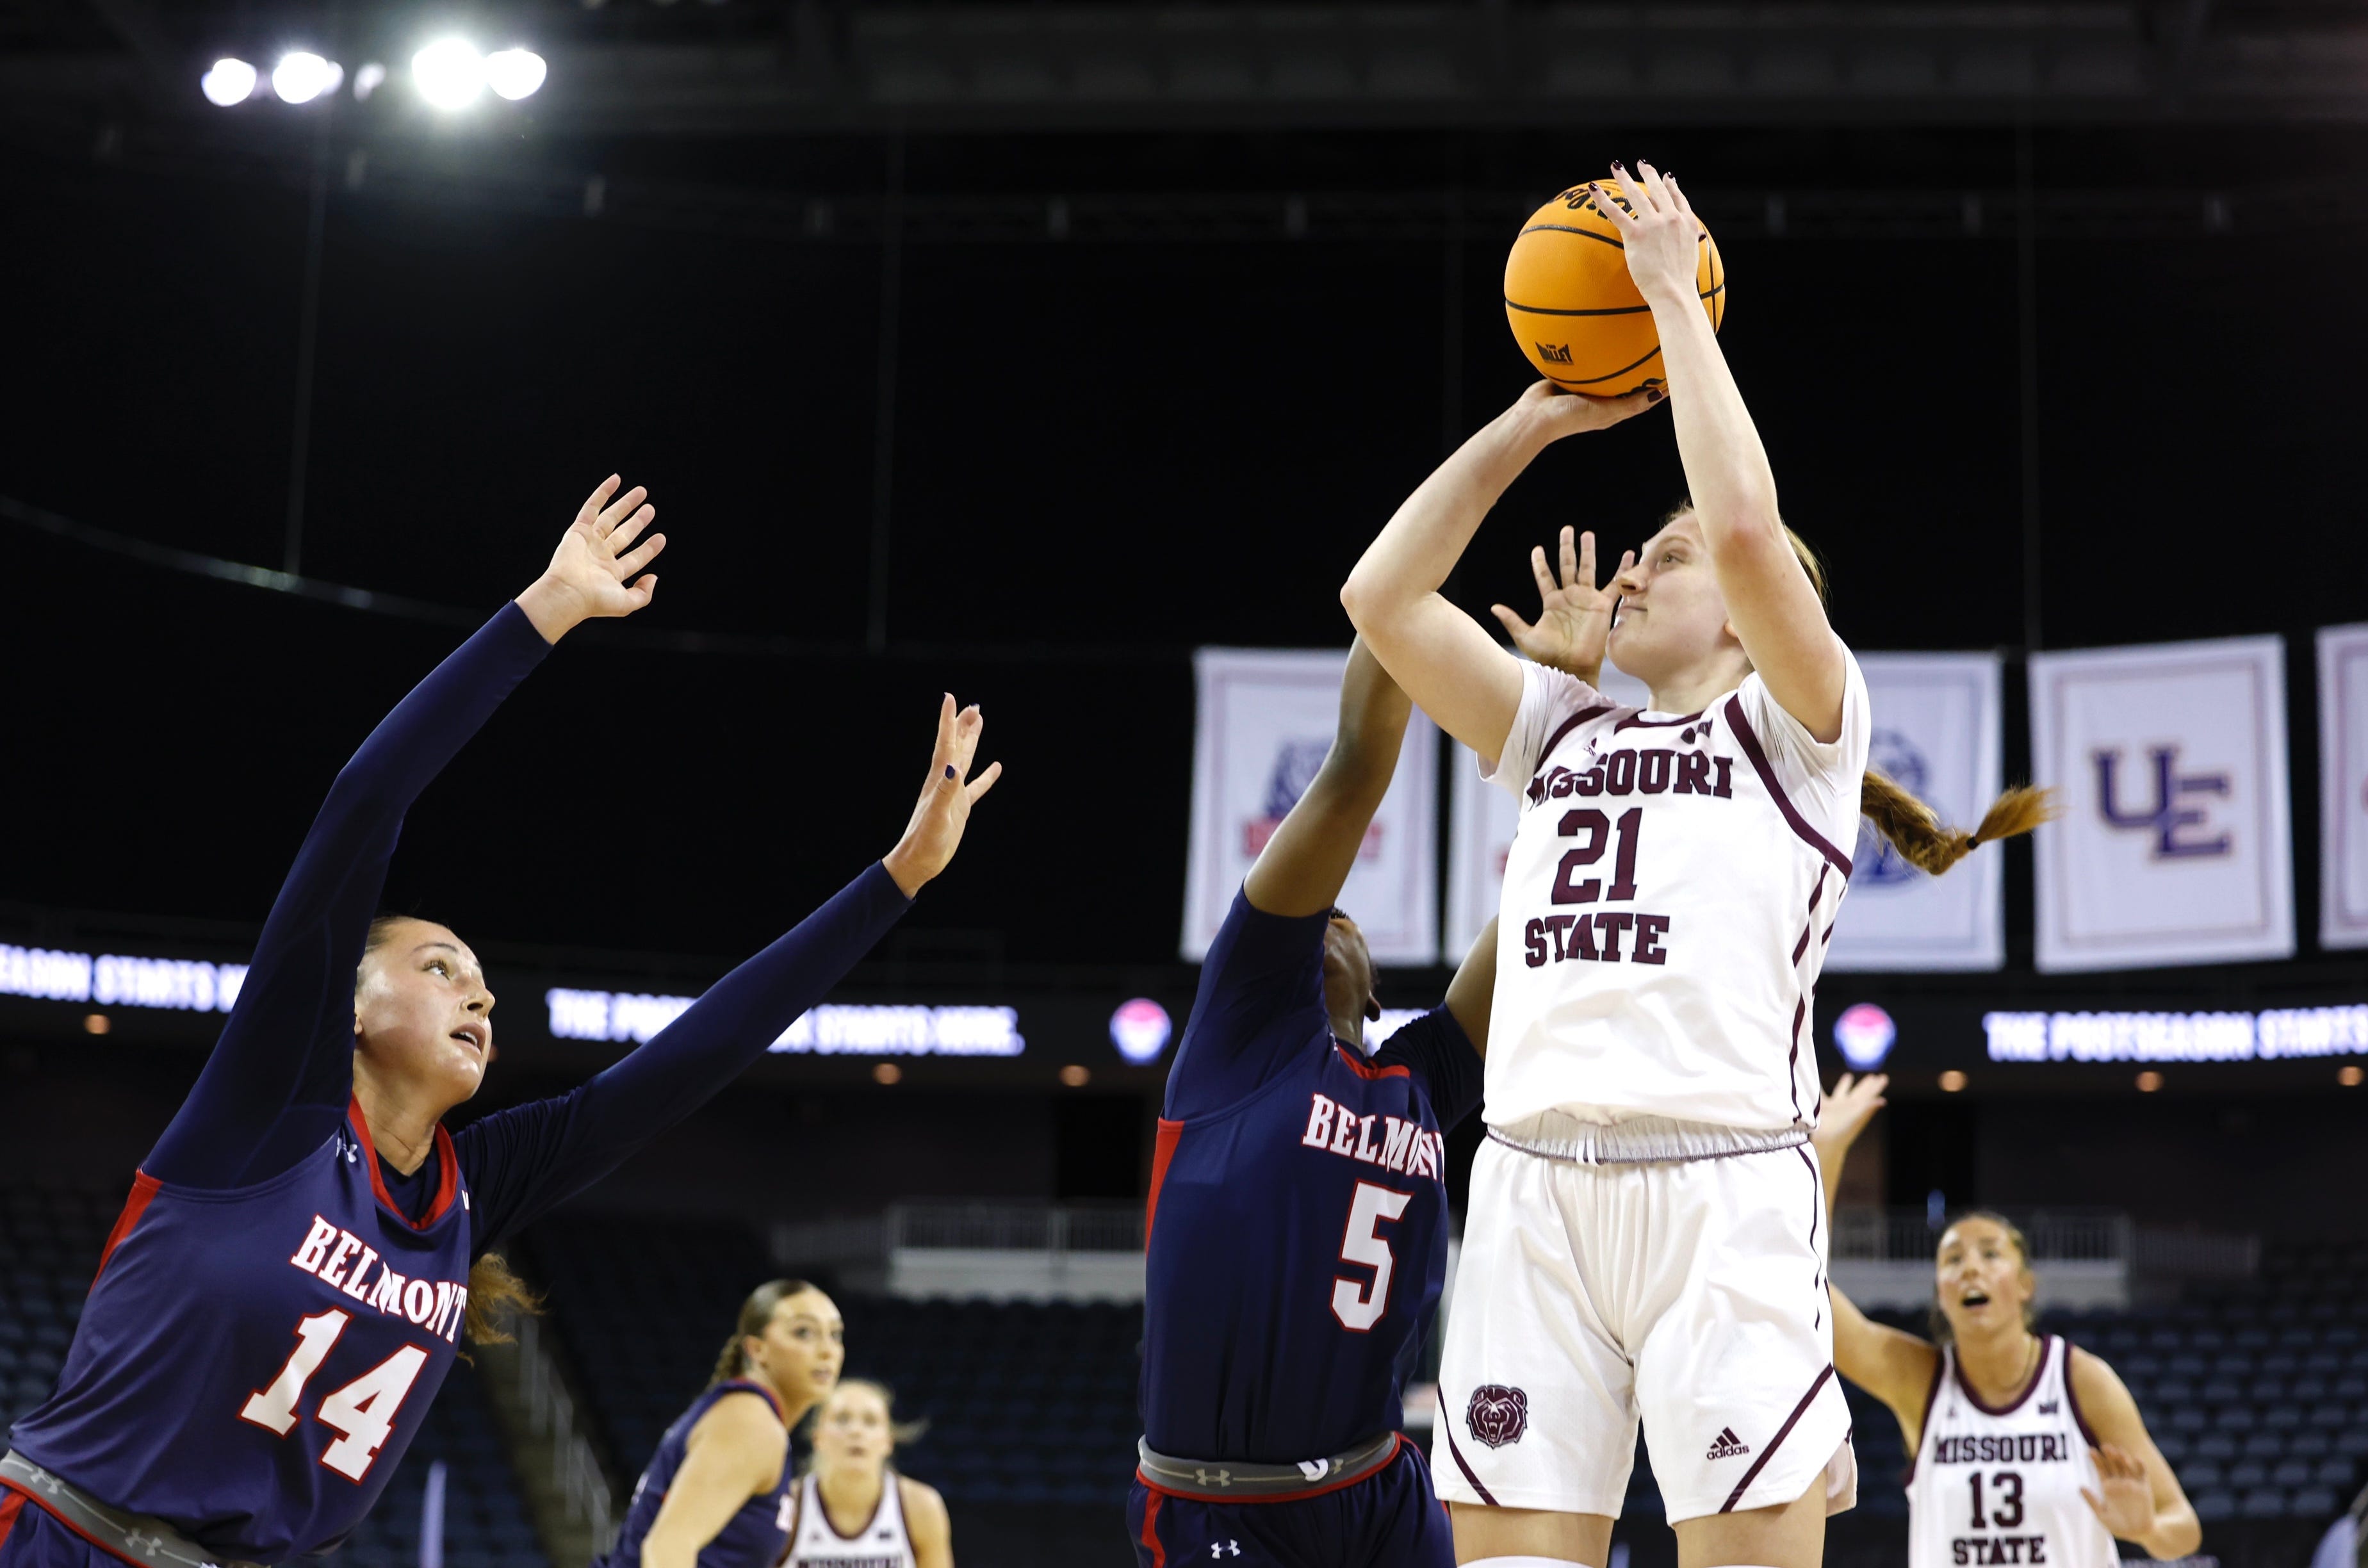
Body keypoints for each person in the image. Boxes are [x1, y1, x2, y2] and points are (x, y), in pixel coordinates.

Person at [0, 478, 1000, 1568]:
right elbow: (364, 802)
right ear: (352, 1004)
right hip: (69, 1536)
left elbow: (696, 1052)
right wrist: (546, 609)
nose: (480, 994)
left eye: (483, 980)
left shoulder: (471, 1192)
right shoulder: (272, 1107)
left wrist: (896, 880)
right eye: (440, 967)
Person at [1338, 163, 2050, 1568]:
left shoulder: (1800, 726)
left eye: (1662, 558)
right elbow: (1382, 598)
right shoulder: (1554, 724)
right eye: (1639, 561)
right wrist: (1534, 421)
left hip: (1721, 1192)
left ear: (1752, 614)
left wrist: (1674, 304)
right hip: (1533, 1183)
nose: (1635, 575)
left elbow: (1736, 525)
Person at [1129, 636, 1495, 1568]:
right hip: (1228, 1507)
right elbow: (1355, 770)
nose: (1330, 914)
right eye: (1318, 910)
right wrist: (1400, 605)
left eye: (1351, 920)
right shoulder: (1241, 1034)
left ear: (1375, 994)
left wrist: (1564, 715)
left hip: (1379, 1490)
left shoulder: (1418, 1078)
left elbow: (1536, 920)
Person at [1815, 1073, 2203, 1567]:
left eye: (1990, 1253)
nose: (1970, 1266)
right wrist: (1826, 1153)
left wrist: (2146, 1528)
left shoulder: (2079, 1380)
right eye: (1953, 1260)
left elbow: (2184, 1530)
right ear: (1941, 1292)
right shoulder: (1921, 1381)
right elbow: (1808, 1298)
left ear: (2025, 1284)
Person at [781, 1378, 951, 1568]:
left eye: (870, 1421)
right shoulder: (789, 1504)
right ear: (818, 1437)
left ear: (888, 1441)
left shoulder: (920, 1507)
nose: (856, 1431)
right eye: (842, 1419)